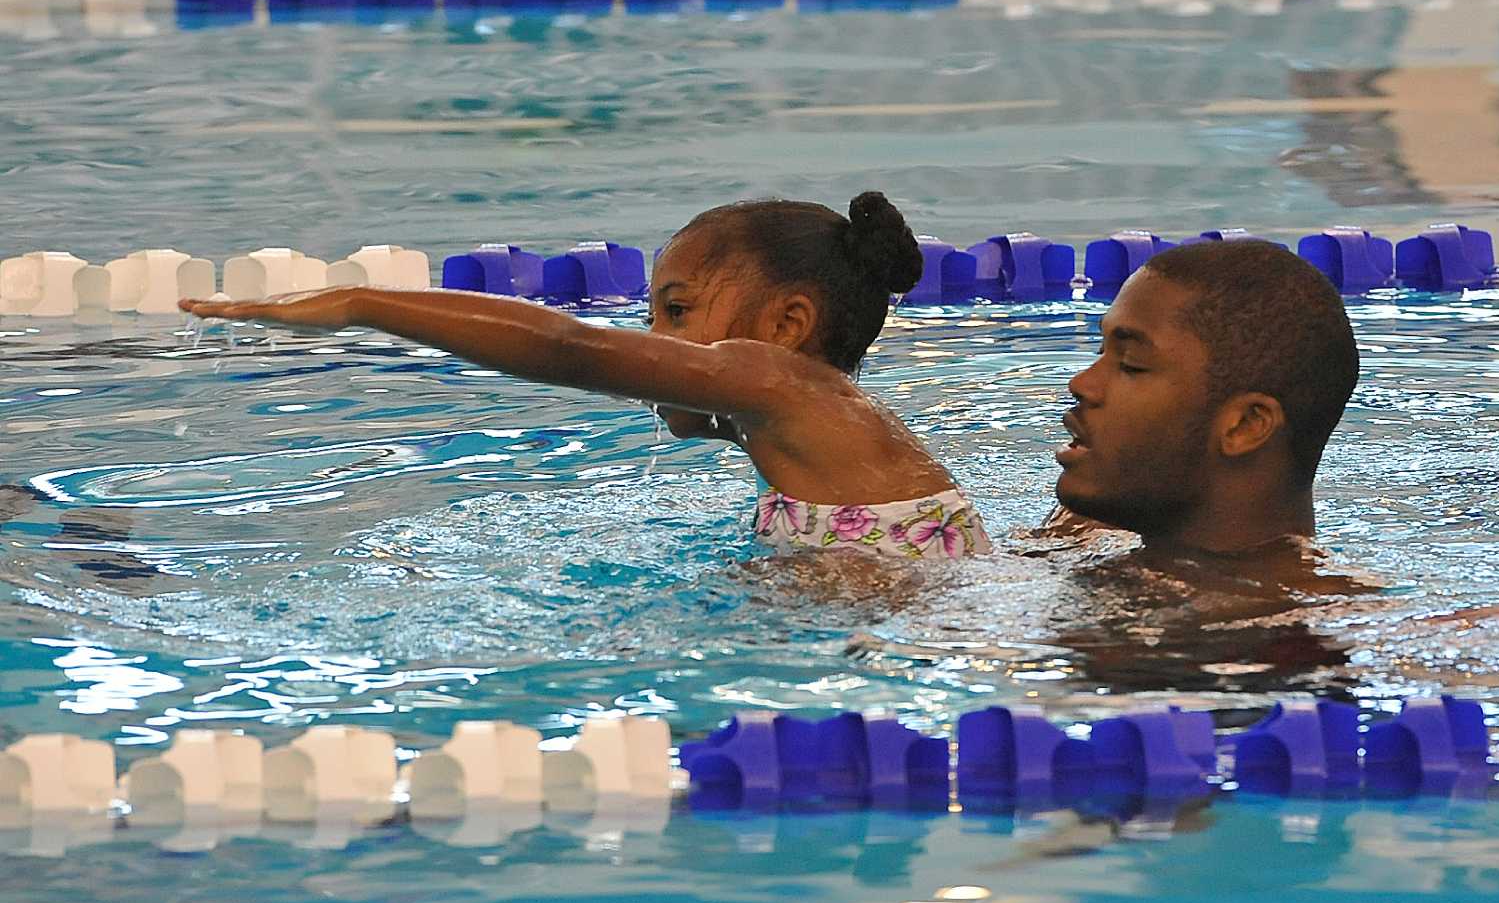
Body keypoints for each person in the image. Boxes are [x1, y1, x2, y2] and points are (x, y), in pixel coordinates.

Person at [180, 193, 993, 560]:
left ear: (787, 326)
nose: (654, 343)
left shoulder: (776, 381)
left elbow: (572, 348)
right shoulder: (825, 423)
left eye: (676, 312)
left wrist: (362, 302)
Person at [1043, 238, 1360, 564]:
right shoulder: (1088, 536)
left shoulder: (1316, 611)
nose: (1081, 384)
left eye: (1131, 364)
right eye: (1101, 352)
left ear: (1245, 426)